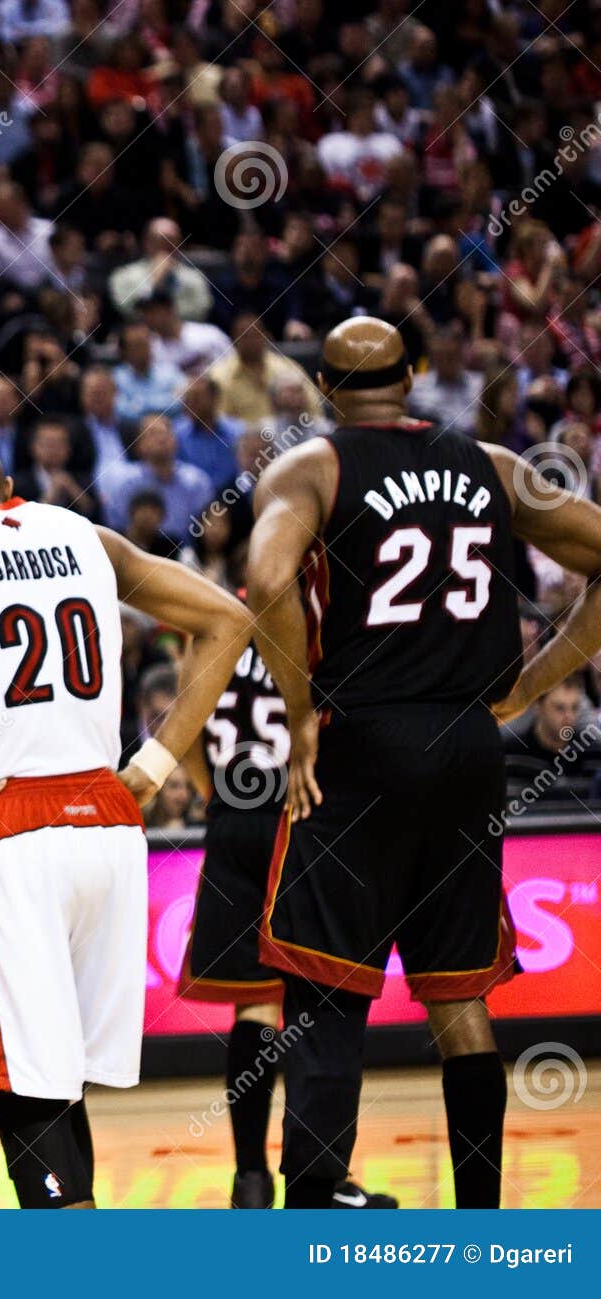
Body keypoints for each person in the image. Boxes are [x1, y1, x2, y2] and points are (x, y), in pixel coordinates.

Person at [247, 316, 601, 1209]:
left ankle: (320, 1186)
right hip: (469, 746)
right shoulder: (492, 463)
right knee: (458, 988)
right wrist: (530, 684)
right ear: (411, 376)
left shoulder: (312, 466)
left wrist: (299, 717)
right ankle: (478, 1212)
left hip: (362, 739)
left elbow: (265, 577)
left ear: (326, 390)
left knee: (324, 974)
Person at [0, 427, 250, 1208]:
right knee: (58, 1077)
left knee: (17, 1079)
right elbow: (228, 619)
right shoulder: (82, 534)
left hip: (10, 824)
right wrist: (158, 762)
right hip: (107, 814)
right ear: (10, 482)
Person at [178, 634, 398, 1210]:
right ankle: (323, 1181)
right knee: (314, 1002)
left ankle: (250, 1178)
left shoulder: (210, 621)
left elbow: (180, 722)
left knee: (253, 1003)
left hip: (233, 814)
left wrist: (217, 796)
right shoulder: (315, 621)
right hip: (300, 814)